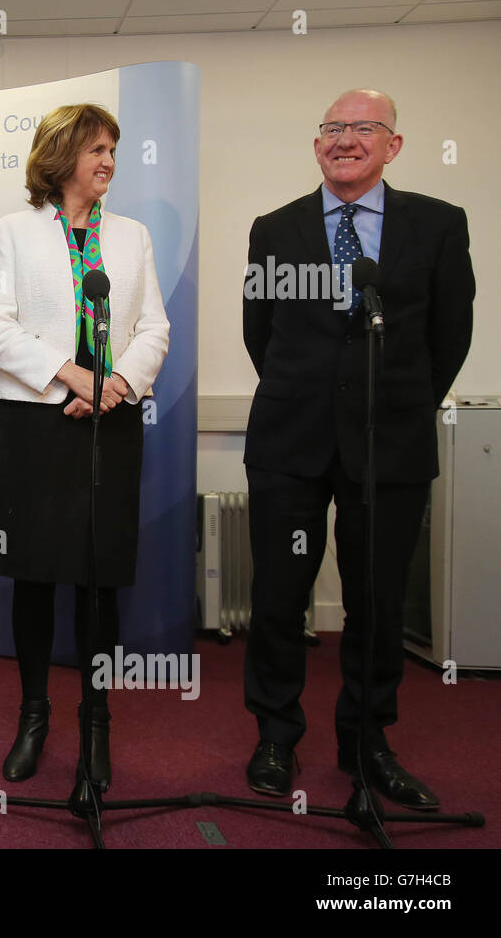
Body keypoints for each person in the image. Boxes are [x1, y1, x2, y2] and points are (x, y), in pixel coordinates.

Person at [242, 89, 473, 810]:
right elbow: (261, 332)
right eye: (334, 129)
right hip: (291, 440)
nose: (346, 140)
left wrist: (397, 403)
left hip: (391, 443)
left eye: (363, 128)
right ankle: (276, 736)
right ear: (317, 146)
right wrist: (309, 393)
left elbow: (450, 336)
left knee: (377, 603)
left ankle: (367, 741)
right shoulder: (274, 229)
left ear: (393, 145)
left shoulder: (436, 224)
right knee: (280, 597)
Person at [0, 103, 169, 786]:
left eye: (113, 148)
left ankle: (97, 723)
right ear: (61, 157)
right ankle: (34, 716)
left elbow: (153, 327)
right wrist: (72, 377)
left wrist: (113, 384)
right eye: (95, 149)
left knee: (98, 579)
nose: (108, 161)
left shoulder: (132, 235)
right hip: (36, 421)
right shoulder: (15, 232)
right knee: (33, 575)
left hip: (110, 421)